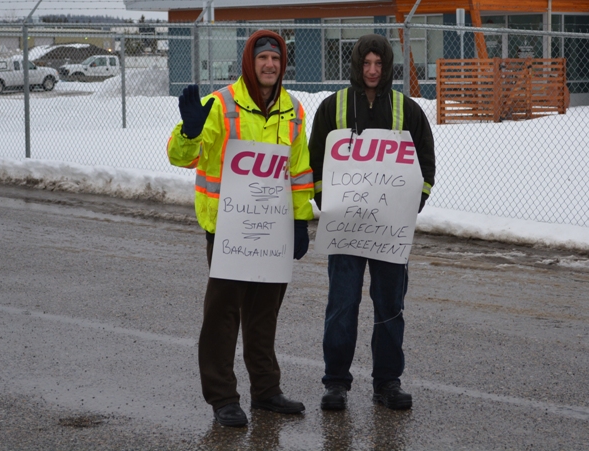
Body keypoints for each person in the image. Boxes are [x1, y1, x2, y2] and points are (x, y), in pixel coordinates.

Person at [167, 30, 315, 427]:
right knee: (223, 312)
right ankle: (222, 397)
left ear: (283, 65)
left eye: (277, 59)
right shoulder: (222, 104)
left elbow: (299, 172)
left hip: (274, 229)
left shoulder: (293, 110)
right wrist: (190, 130)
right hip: (228, 227)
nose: (270, 65)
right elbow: (182, 157)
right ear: (250, 62)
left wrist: (301, 220)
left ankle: (266, 391)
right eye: (263, 58)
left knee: (265, 312)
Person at [308, 34, 435, 411]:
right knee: (342, 305)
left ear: (389, 66)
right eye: (366, 64)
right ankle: (336, 384)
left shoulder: (407, 110)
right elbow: (316, 162)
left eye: (379, 64)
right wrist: (326, 203)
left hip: (389, 232)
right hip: (345, 229)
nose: (373, 71)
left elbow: (425, 167)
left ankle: (387, 382)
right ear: (355, 65)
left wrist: (411, 206)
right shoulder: (333, 107)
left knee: (389, 306)